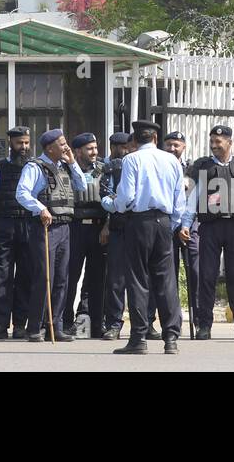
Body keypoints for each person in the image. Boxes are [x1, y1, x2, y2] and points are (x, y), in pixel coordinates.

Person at [109, 120, 185, 356]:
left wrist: (111, 205)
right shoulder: (172, 160)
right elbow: (178, 200)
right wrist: (170, 224)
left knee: (138, 280)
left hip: (139, 222)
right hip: (163, 222)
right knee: (166, 280)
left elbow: (126, 197)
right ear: (155, 138)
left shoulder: (131, 160)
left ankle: (139, 337)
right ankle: (171, 338)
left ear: (135, 140)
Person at [182, 125, 234, 340]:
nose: (214, 146)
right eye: (212, 142)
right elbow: (193, 200)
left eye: (219, 142)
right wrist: (186, 224)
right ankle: (204, 326)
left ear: (229, 142)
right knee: (207, 277)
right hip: (210, 227)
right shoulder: (203, 167)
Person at [15, 129, 85, 342]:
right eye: (62, 144)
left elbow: (82, 185)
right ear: (49, 148)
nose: (66, 147)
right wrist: (40, 208)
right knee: (45, 277)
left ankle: (56, 325)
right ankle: (34, 327)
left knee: (62, 279)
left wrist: (73, 163)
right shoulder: (35, 167)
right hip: (45, 227)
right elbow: (22, 193)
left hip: (65, 227)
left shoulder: (65, 166)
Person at [0, 127, 33, 340]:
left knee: (25, 277)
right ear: (10, 143)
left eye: (26, 143)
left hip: (28, 227)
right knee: (1, 277)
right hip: (4, 227)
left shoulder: (34, 167)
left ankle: (20, 325)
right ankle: (0, 325)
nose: (23, 147)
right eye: (19, 143)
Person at [154, 130, 198, 337]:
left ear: (184, 147)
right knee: (166, 276)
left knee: (196, 274)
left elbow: (196, 199)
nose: (172, 149)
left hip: (189, 228)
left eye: (176, 145)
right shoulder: (159, 167)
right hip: (167, 228)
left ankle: (199, 322)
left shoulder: (193, 169)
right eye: (169, 144)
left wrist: (186, 225)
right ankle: (170, 323)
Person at [64, 132, 107, 336]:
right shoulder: (67, 170)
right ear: (78, 151)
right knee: (70, 277)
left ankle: (98, 324)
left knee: (98, 279)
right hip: (75, 228)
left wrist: (107, 225)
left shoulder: (103, 169)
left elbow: (112, 196)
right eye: (89, 149)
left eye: (95, 148)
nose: (94, 152)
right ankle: (65, 322)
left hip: (99, 229)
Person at [98, 132, 132, 340]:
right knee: (116, 280)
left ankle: (144, 324)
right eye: (120, 146)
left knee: (142, 279)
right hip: (119, 226)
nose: (124, 150)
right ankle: (113, 324)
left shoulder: (142, 165)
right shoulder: (112, 168)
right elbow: (106, 195)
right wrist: (115, 212)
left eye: (127, 146)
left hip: (141, 227)